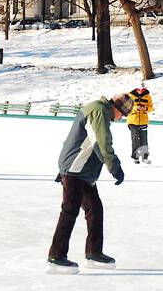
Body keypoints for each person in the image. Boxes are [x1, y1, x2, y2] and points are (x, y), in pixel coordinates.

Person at [47, 93, 131, 273]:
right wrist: (115, 168)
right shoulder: (99, 112)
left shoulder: (99, 110)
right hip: (75, 170)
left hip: (83, 172)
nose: (120, 119)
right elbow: (101, 144)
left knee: (95, 209)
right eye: (123, 115)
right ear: (117, 109)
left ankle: (94, 252)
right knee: (69, 210)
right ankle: (56, 257)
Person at [127, 85, 153, 163]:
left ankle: (145, 157)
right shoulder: (130, 96)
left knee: (144, 140)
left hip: (143, 121)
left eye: (142, 89)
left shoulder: (147, 96)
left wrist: (146, 108)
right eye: (139, 89)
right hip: (132, 121)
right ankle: (135, 157)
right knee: (135, 139)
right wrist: (136, 108)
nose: (141, 91)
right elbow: (127, 108)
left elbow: (151, 107)